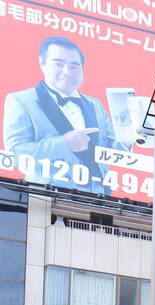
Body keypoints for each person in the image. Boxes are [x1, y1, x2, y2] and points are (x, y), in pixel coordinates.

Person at [3, 38, 118, 197]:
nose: (67, 71)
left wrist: (128, 140)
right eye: (58, 64)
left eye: (74, 66)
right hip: (46, 199)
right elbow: (16, 153)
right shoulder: (21, 100)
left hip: (100, 200)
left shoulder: (95, 104)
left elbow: (109, 147)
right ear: (42, 64)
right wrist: (65, 143)